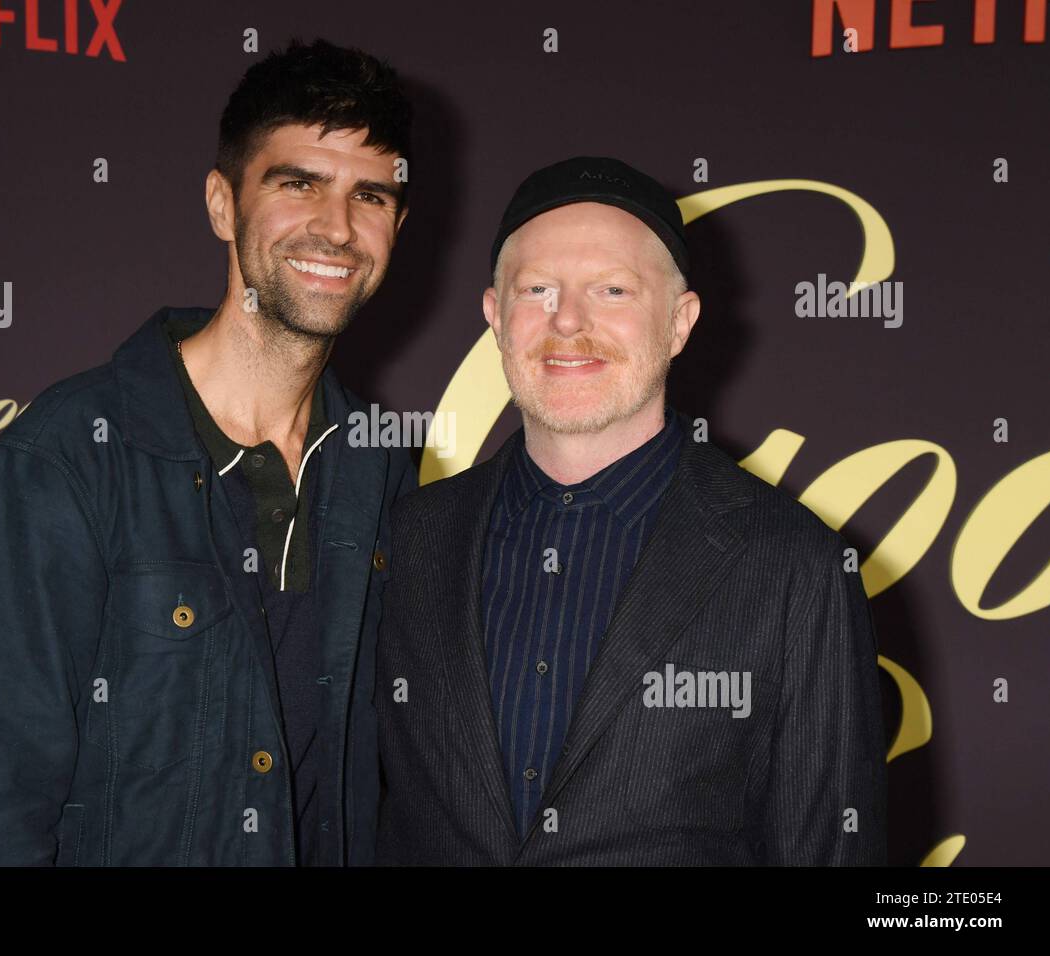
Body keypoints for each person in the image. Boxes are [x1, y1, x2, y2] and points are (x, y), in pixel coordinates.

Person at [0, 38, 416, 866]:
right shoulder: (69, 458)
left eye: (371, 195)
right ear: (223, 205)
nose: (336, 227)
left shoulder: (380, 470)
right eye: (298, 184)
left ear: (397, 224)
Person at [375, 156, 887, 865]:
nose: (569, 321)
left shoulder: (795, 565)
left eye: (613, 290)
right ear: (496, 319)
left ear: (680, 323)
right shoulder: (406, 539)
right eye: (538, 289)